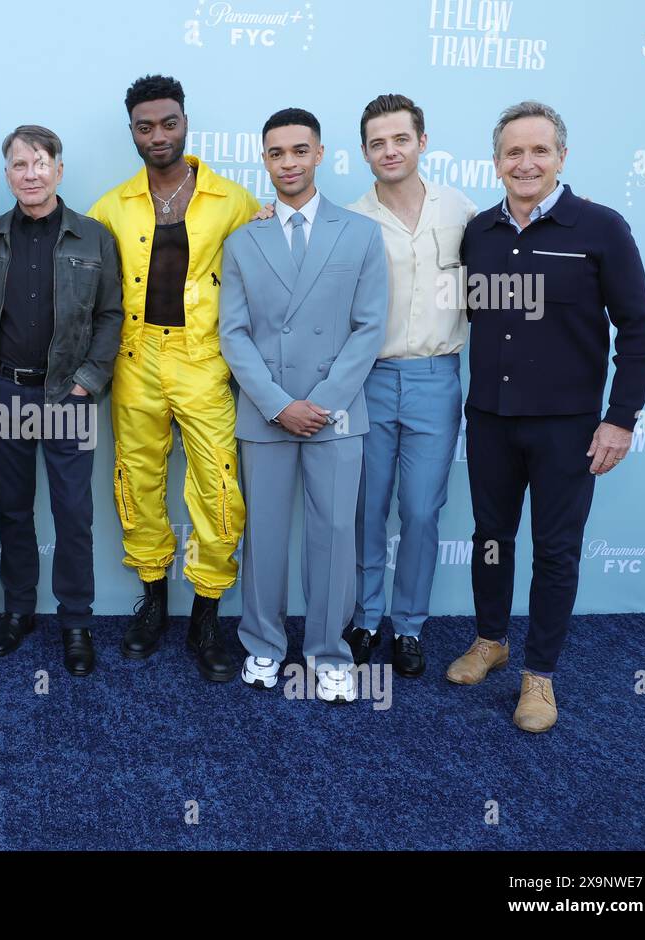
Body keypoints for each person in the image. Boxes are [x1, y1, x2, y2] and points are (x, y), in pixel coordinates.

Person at [449, 101, 645, 732]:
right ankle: (491, 640)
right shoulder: (478, 233)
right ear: (496, 162)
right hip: (489, 417)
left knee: (556, 551)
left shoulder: (600, 228)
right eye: (513, 152)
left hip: (568, 425)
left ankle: (538, 675)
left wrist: (620, 418)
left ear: (562, 157)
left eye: (540, 150)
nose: (526, 162)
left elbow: (640, 331)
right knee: (490, 538)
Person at [88, 75, 257, 683]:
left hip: (203, 359)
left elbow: (259, 288)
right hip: (134, 359)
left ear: (185, 123)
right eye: (144, 126)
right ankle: (154, 602)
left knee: (217, 484)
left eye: (168, 123)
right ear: (131, 130)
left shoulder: (233, 201)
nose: (158, 136)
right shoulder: (110, 207)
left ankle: (206, 614)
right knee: (136, 480)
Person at [219, 108, 388, 703]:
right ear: (264, 159)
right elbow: (233, 333)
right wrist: (277, 403)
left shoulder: (361, 233)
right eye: (276, 153)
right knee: (263, 536)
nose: (287, 162)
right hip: (267, 414)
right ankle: (263, 647)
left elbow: (369, 328)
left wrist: (320, 401)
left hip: (336, 414)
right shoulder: (242, 240)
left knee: (336, 534)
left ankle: (329, 653)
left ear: (319, 154)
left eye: (298, 150)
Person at [0, 125, 122, 676]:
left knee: (73, 513)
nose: (30, 174)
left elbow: (111, 316)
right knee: (12, 511)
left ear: (59, 170)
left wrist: (87, 381)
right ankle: (18, 611)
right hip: (4, 392)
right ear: (7, 173)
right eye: (18, 165)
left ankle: (76, 621)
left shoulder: (93, 237)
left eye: (40, 163)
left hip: (68, 395)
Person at [344, 94, 478, 678]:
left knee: (422, 510)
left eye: (400, 139)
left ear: (422, 142)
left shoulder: (463, 211)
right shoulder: (351, 220)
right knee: (367, 508)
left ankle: (410, 627)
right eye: (377, 142)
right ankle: (366, 617)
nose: (390, 150)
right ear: (365, 151)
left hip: (436, 378)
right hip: (368, 379)